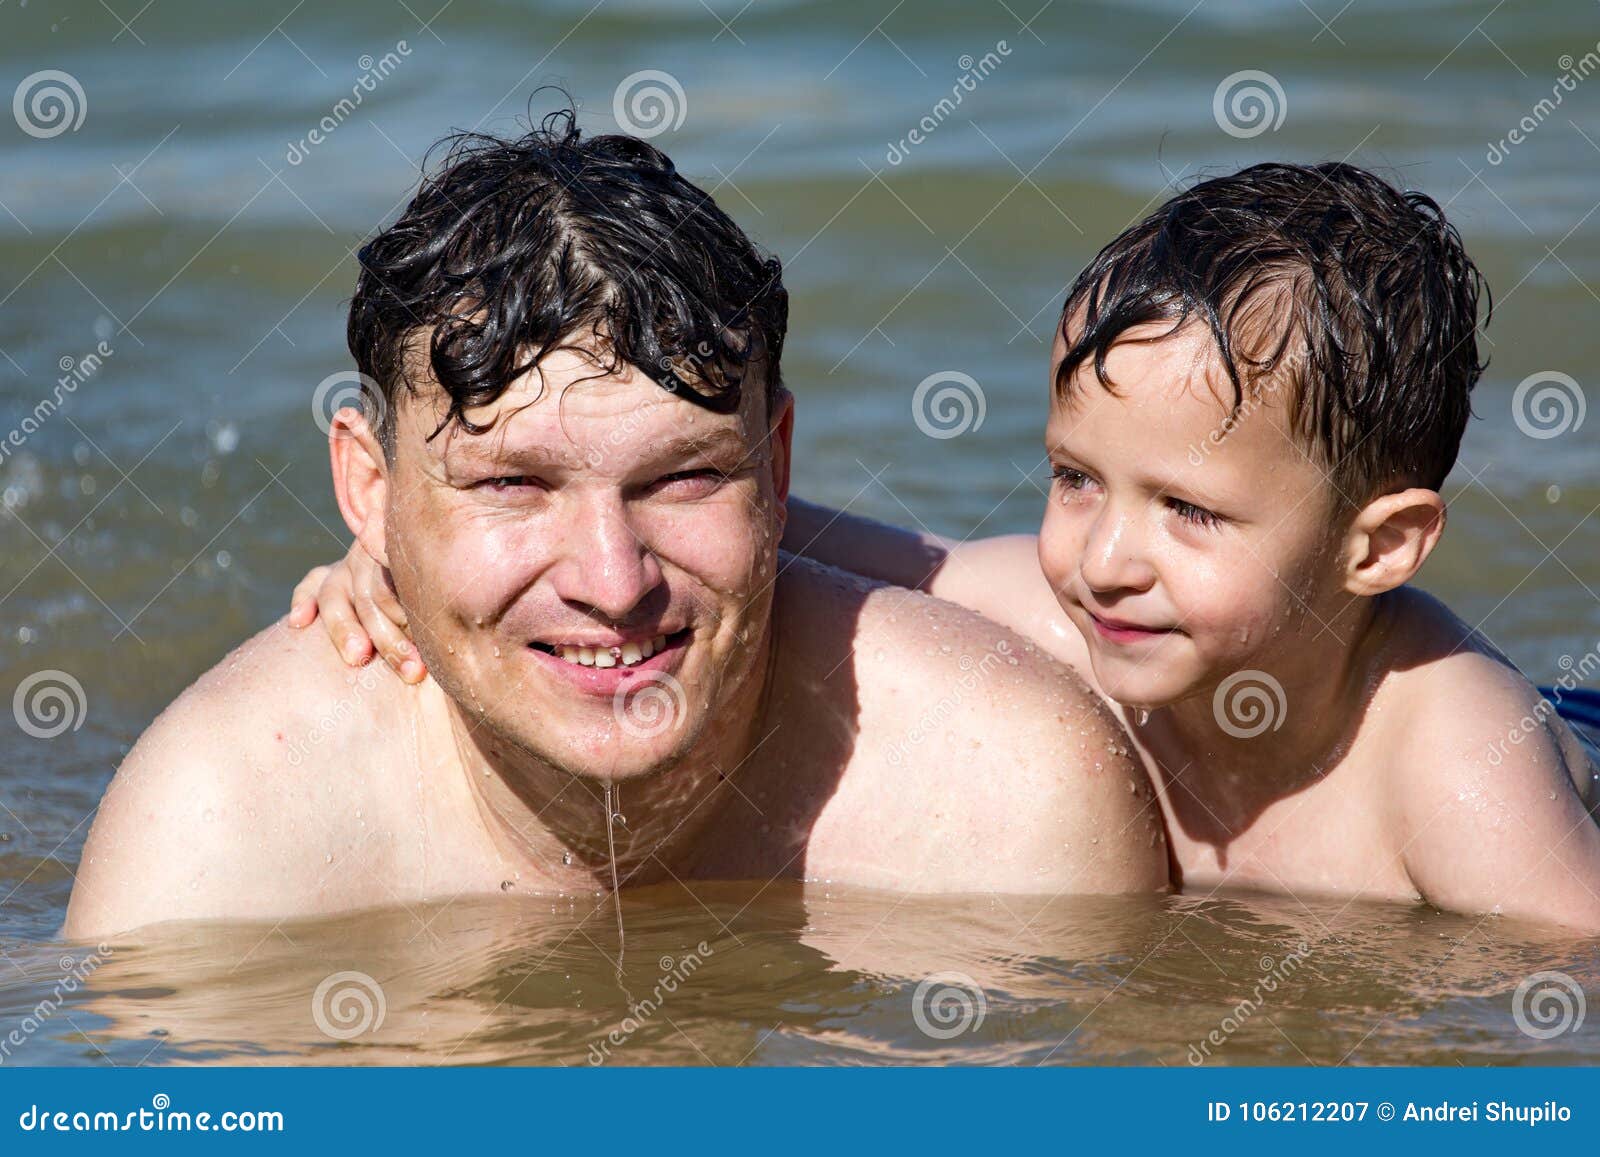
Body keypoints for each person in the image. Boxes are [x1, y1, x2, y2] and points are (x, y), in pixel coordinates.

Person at [298, 161, 1600, 931]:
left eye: (1189, 512)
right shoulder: (1063, 608)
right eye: (1076, 480)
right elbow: (742, 537)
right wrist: (414, 554)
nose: (1105, 556)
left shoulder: (1448, 761)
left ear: (1382, 550)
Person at [62, 112, 1165, 941]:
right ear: (368, 491)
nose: (611, 579)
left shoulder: (1003, 795)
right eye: (511, 487)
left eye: (682, 478)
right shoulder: (219, 845)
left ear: (775, 468)